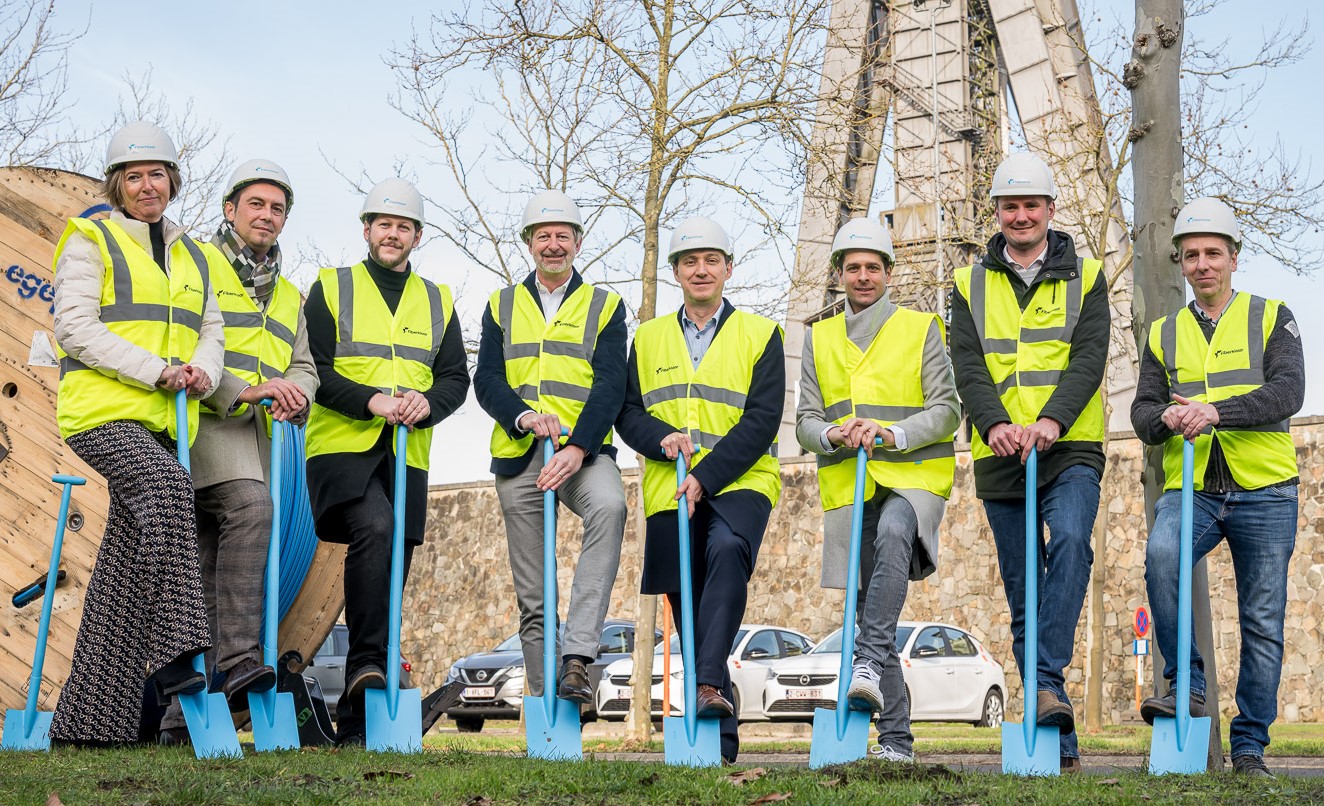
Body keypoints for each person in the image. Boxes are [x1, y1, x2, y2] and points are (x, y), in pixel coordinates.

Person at [49, 121, 225, 745]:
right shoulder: (89, 239)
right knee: (169, 487)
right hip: (101, 412)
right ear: (116, 185)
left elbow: (211, 330)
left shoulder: (194, 254)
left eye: (156, 174)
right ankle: (177, 650)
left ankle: (86, 727)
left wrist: (204, 372)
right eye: (133, 176)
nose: (146, 185)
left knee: (122, 575)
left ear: (172, 181)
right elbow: (74, 327)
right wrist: (158, 371)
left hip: (165, 419)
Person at [1130, 197, 1303, 778]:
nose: (1202, 264)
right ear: (1180, 262)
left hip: (1266, 489)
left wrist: (1215, 412)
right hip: (1193, 488)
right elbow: (1142, 413)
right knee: (1162, 554)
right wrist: (1165, 418)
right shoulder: (1163, 333)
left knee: (1262, 620)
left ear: (1233, 257)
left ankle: (1250, 748)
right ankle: (1187, 685)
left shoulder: (1271, 316)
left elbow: (1288, 393)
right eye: (1191, 255)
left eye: (1212, 253)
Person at [949, 152, 1109, 773]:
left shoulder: (1088, 277)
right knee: (1024, 593)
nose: (1021, 216)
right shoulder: (967, 283)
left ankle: (1044, 682)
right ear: (997, 212)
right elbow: (968, 363)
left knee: (1070, 541)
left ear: (1050, 210)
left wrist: (1051, 420)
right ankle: (1057, 741)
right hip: (1001, 455)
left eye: (1031, 205)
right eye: (1010, 206)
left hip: (1067, 447)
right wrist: (993, 424)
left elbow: (1089, 357)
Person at [156, 160, 319, 743]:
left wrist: (297, 393)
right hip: (203, 421)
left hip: (261, 438)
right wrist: (244, 391)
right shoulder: (196, 263)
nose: (266, 216)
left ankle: (182, 720)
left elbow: (303, 364)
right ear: (230, 209)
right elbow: (178, 342)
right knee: (252, 508)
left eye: (277, 209)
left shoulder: (291, 294)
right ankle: (239, 658)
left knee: (206, 560)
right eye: (256, 204)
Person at [303, 178, 469, 745]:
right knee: (375, 526)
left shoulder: (438, 299)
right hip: (342, 449)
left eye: (403, 226)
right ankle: (366, 665)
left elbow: (455, 379)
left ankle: (359, 717)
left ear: (417, 236)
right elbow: (315, 369)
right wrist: (372, 401)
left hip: (408, 455)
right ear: (366, 230)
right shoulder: (330, 288)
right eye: (383, 224)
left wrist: (429, 404)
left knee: (391, 568)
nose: (392, 234)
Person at [616, 217, 784, 764]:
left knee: (727, 550)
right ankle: (719, 735)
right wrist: (660, 438)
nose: (701, 270)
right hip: (669, 488)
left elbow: (762, 420)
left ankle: (707, 684)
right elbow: (627, 412)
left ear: (728, 269)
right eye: (690, 261)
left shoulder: (762, 334)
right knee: (687, 604)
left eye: (712, 260)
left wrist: (706, 476)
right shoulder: (648, 338)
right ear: (676, 272)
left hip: (741, 482)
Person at [796, 217, 959, 762]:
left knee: (894, 531)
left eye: (872, 267)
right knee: (871, 605)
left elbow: (947, 410)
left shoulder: (921, 328)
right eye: (853, 268)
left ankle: (864, 661)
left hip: (914, 477)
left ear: (889, 272)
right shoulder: (818, 338)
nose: (863, 276)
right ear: (839, 274)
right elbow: (805, 422)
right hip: (851, 481)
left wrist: (891, 432)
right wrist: (832, 434)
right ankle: (896, 742)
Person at [474, 190, 627, 704]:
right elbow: (487, 379)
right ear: (529, 243)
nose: (554, 244)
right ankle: (545, 705)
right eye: (544, 235)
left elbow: (611, 384)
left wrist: (577, 447)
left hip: (583, 453)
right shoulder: (500, 304)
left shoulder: (605, 305)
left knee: (610, 506)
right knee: (534, 594)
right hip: (520, 454)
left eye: (563, 235)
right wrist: (522, 417)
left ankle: (577, 658)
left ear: (578, 243)